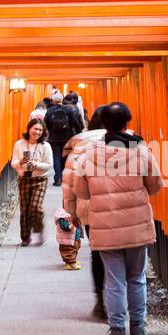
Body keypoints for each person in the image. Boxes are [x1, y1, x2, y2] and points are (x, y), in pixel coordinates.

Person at [71, 102, 163, 335]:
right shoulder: (140, 150)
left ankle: (117, 333)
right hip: (136, 225)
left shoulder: (91, 154)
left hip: (104, 225)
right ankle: (138, 330)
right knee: (137, 278)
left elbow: (82, 191)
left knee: (114, 281)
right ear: (127, 122)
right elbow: (155, 185)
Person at [62, 105, 107, 318]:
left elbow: (70, 181)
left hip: (89, 207)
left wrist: (71, 212)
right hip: (124, 208)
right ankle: (121, 301)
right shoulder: (131, 143)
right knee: (123, 255)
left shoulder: (80, 145)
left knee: (98, 252)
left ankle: (101, 300)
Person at [10, 118, 52, 246]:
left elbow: (49, 165)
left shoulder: (45, 146)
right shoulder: (19, 144)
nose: (37, 132)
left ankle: (39, 229)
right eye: (35, 129)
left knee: (35, 206)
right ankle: (25, 236)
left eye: (40, 130)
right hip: (24, 179)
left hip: (40, 179)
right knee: (25, 209)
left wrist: (36, 164)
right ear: (29, 129)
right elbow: (13, 163)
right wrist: (21, 162)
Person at [43, 97, 79, 186]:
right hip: (67, 137)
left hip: (54, 138)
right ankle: (65, 177)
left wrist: (50, 130)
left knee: (56, 157)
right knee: (65, 157)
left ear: (53, 101)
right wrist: (78, 132)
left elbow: (45, 123)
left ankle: (58, 178)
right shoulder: (68, 109)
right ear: (62, 100)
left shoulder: (50, 110)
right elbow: (75, 122)